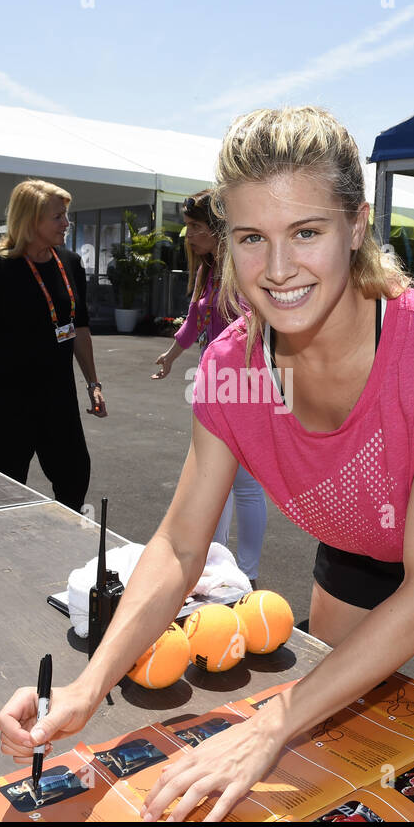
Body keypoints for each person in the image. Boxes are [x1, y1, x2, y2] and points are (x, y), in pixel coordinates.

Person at [0, 107, 414, 821]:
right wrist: (88, 686)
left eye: (306, 232)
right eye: (252, 237)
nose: (278, 270)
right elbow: (182, 543)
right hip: (353, 537)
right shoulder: (230, 369)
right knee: (332, 769)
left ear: (356, 227)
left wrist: (271, 722)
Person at [0, 179, 107, 511]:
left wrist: (93, 384)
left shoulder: (70, 264)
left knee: (74, 477)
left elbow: (79, 329)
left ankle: (65, 548)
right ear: (31, 220)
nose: (66, 224)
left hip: (58, 396)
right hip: (6, 401)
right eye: (58, 217)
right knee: (6, 488)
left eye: (66, 215)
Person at [152, 191, 268, 585]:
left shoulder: (246, 268)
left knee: (245, 484)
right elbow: (192, 321)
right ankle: (213, 566)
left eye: (195, 227)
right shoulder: (208, 268)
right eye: (188, 226)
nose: (188, 235)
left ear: (219, 229)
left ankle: (247, 574)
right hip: (212, 384)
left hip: (245, 385)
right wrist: (171, 355)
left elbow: (260, 322)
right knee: (212, 479)